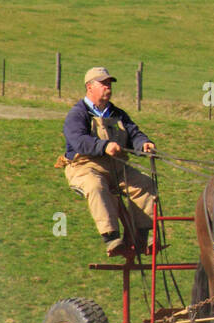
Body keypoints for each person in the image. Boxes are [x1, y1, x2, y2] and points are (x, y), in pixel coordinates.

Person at [59, 66, 158, 255]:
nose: (108, 87)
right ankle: (112, 238)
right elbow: (78, 141)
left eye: (109, 84)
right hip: (85, 167)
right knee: (96, 186)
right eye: (103, 84)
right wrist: (103, 146)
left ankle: (143, 237)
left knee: (145, 184)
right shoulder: (77, 114)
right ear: (89, 87)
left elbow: (134, 134)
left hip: (118, 168)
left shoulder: (118, 113)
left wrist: (144, 144)